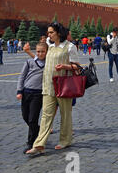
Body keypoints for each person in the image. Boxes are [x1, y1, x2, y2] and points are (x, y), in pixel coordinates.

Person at [26, 22, 81, 155]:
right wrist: (28, 52)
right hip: (48, 85)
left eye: (51, 32)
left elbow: (77, 67)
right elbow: (39, 60)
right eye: (48, 32)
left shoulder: (69, 47)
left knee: (65, 114)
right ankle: (39, 144)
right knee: (46, 114)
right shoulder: (49, 46)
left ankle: (65, 140)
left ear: (59, 33)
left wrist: (64, 66)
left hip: (63, 85)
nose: (48, 35)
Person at [17, 42, 47, 153]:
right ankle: (38, 131)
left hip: (38, 94)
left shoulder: (48, 63)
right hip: (26, 92)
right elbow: (22, 77)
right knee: (25, 116)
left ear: (46, 52)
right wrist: (19, 91)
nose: (40, 54)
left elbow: (42, 63)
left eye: (43, 51)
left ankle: (31, 143)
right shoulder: (29, 62)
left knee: (32, 119)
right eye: (38, 51)